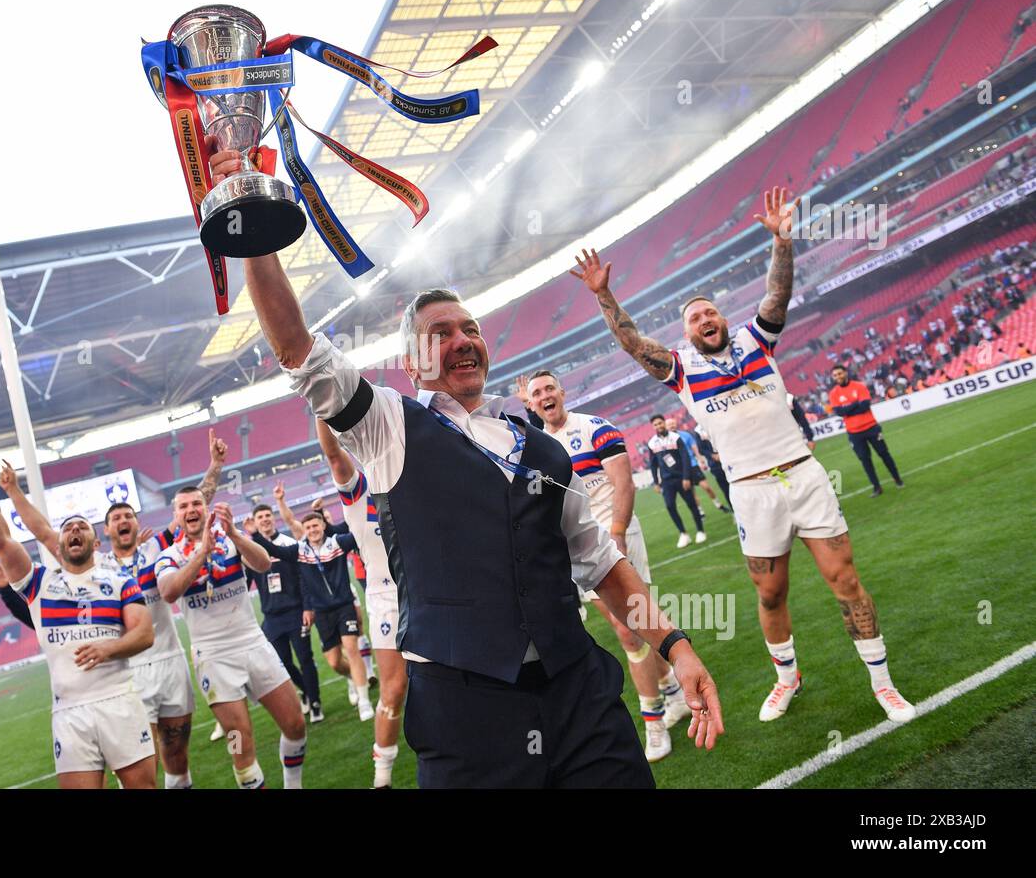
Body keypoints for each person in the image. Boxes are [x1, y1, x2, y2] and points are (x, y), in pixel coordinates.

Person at [212, 143, 722, 788]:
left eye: (470, 327)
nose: (462, 339)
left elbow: (600, 565)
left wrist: (677, 647)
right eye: (442, 332)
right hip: (464, 708)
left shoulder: (542, 444)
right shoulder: (393, 425)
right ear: (413, 361)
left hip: (578, 694)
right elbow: (299, 351)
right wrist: (250, 225)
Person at [573, 184, 915, 725]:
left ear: (723, 318)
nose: (705, 320)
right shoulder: (683, 369)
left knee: (845, 580)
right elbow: (634, 342)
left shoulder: (758, 339)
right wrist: (603, 295)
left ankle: (883, 683)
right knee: (771, 593)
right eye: (694, 318)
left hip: (804, 475)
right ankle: (787, 678)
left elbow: (777, 296)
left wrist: (782, 241)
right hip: (751, 491)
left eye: (710, 312)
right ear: (686, 334)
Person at [0, 444, 156, 789]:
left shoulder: (120, 581)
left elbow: (144, 634)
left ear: (96, 542)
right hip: (69, 713)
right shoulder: (39, 583)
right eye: (67, 529)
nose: (74, 530)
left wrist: (107, 649)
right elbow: (1, 540)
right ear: (59, 544)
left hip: (119, 702)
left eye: (82, 526)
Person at [526, 371, 691, 763]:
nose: (546, 395)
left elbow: (624, 485)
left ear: (562, 393)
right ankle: (673, 692)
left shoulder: (596, 429)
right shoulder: (538, 446)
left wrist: (616, 533)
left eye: (550, 388)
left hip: (616, 538)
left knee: (630, 631)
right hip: (578, 547)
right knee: (629, 630)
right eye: (536, 394)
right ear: (531, 405)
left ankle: (652, 722)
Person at [2, 467, 197, 789]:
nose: (123, 522)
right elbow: (43, 532)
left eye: (128, 516)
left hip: (169, 657)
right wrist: (13, 491)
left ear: (137, 523)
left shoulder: (154, 550)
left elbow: (192, 509)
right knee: (134, 763)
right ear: (103, 533)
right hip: (126, 671)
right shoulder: (99, 564)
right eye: (116, 518)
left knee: (177, 751)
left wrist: (215, 471)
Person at [156, 489, 307, 789]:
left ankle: (293, 785)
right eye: (183, 506)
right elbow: (169, 592)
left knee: (296, 725)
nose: (191, 509)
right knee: (240, 745)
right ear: (176, 516)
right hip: (214, 659)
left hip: (253, 644)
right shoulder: (168, 556)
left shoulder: (229, 540)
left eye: (196, 503)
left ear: (206, 508)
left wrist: (236, 535)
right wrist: (201, 553)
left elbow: (264, 564)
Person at [317, 418, 408, 785]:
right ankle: (382, 775)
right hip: (386, 596)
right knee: (394, 687)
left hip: (430, 589)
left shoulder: (410, 477)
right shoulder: (358, 490)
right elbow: (332, 452)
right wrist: (321, 404)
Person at [253, 508, 375, 722]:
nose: (312, 530)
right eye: (308, 527)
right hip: (322, 613)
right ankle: (351, 678)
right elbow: (272, 548)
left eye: (316, 525)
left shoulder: (337, 542)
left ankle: (364, 701)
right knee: (335, 662)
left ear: (322, 526)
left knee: (351, 648)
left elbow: (356, 530)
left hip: (344, 606)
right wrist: (254, 535)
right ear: (304, 530)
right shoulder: (299, 550)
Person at [243, 503, 324, 723]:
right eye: (260, 516)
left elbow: (303, 577)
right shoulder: (252, 550)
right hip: (271, 617)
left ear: (274, 518)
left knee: (305, 659)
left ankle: (315, 703)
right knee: (281, 664)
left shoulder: (289, 544)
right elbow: (245, 582)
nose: (265, 519)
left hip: (296, 612)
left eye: (268, 515)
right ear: (255, 521)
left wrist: (308, 607)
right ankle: (305, 691)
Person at [828, 366, 904, 497]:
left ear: (845, 373)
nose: (838, 377)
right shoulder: (834, 393)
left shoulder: (859, 386)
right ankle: (876, 487)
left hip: (871, 428)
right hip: (854, 433)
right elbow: (839, 412)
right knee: (865, 460)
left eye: (839, 373)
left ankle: (897, 479)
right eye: (835, 375)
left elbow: (864, 406)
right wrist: (854, 404)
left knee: (884, 454)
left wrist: (848, 409)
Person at [647, 414, 706, 547]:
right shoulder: (652, 443)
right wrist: (656, 482)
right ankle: (683, 534)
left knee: (692, 504)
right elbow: (653, 464)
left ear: (664, 423)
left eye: (660, 423)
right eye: (655, 424)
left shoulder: (676, 438)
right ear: (653, 427)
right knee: (670, 506)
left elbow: (685, 458)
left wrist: (686, 477)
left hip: (682, 478)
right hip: (666, 481)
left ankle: (700, 531)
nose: (659, 426)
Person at [666, 417, 729, 514]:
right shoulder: (666, 441)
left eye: (673, 423)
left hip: (693, 465)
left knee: (706, 487)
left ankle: (718, 504)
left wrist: (701, 460)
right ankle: (700, 512)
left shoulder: (685, 435)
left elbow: (694, 448)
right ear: (666, 427)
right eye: (669, 424)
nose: (672, 426)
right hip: (681, 470)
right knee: (692, 493)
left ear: (676, 424)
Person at [694, 424, 733, 505]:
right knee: (726, 488)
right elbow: (701, 449)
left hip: (730, 460)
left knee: (738, 483)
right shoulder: (698, 430)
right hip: (715, 465)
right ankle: (734, 510)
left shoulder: (716, 421)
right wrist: (712, 455)